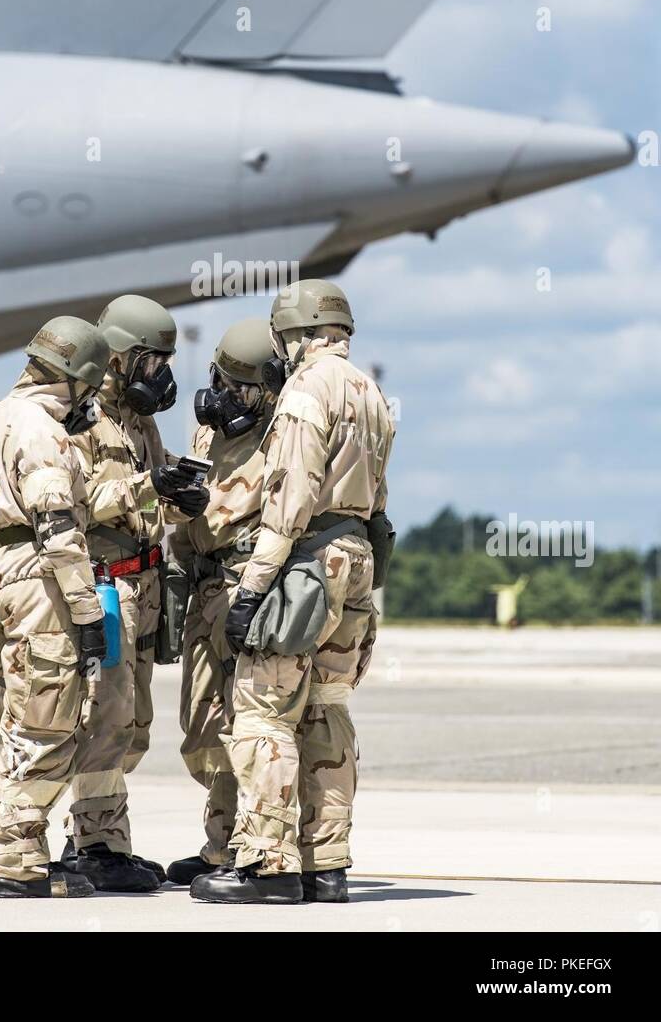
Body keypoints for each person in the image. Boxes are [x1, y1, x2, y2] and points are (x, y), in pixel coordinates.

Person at [191, 280, 394, 905]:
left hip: (305, 563)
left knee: (262, 708)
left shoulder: (307, 392)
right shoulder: (371, 393)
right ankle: (325, 862)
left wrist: (252, 589)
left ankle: (267, 864)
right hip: (356, 559)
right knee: (326, 708)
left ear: (299, 333)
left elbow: (288, 505)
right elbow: (378, 503)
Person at [62, 294, 209, 892]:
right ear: (118, 358)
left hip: (146, 583)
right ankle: (97, 847)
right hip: (107, 583)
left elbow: (146, 498)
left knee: (134, 723)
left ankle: (99, 840)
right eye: (151, 361)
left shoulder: (140, 422)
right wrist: (149, 485)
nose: (162, 375)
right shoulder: (82, 417)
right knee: (106, 720)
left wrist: (179, 494)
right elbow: (79, 501)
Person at [0, 316, 109, 899]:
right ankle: (19, 866)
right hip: (36, 582)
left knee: (8, 723)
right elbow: (57, 526)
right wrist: (86, 608)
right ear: (77, 380)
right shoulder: (42, 429)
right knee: (46, 726)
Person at [165, 318, 277, 886]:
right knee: (204, 722)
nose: (224, 395)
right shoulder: (210, 434)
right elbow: (191, 513)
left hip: (245, 582)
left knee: (248, 721)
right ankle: (219, 844)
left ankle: (256, 846)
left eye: (240, 386)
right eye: (220, 379)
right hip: (205, 582)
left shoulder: (284, 435)